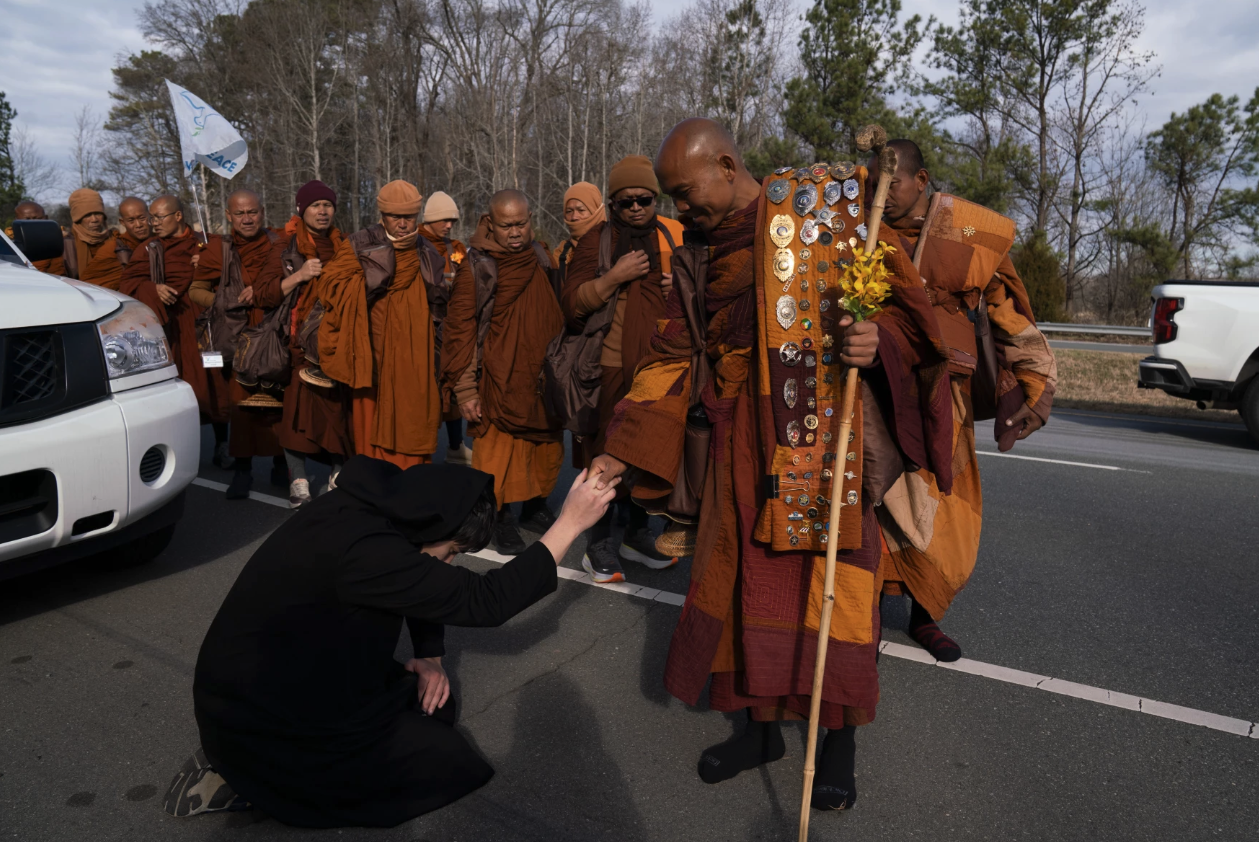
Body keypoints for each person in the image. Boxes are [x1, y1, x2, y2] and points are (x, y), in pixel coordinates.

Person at [591, 118, 956, 811]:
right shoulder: (697, 251)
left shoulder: (821, 212)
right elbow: (671, 351)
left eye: (685, 192)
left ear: (728, 166)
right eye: (670, 197)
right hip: (738, 440)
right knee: (742, 584)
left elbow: (908, 317)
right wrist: (620, 445)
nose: (678, 209)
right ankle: (759, 731)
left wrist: (873, 342)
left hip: (824, 432)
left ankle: (837, 742)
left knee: (835, 590)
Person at [167, 458, 619, 826]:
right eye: (453, 550)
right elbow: (486, 600)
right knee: (446, 760)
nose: (450, 561)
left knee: (433, 703)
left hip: (283, 677)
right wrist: (570, 523)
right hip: (260, 716)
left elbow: (421, 579)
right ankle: (246, 781)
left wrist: (430, 655)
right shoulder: (369, 552)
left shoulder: (370, 507)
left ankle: (247, 765)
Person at [865, 139, 1057, 661]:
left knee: (944, 509)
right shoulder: (860, 230)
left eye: (891, 184)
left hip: (946, 390)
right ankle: (867, 616)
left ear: (921, 180)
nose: (880, 194)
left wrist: (1035, 385)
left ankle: (925, 616)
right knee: (877, 498)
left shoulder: (968, 232)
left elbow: (1007, 312)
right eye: (873, 184)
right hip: (877, 387)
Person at [559, 156, 684, 583]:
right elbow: (571, 305)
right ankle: (598, 544)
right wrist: (613, 277)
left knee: (645, 454)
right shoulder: (597, 241)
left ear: (655, 199)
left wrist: (680, 287)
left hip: (657, 366)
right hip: (608, 368)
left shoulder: (671, 235)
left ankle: (635, 534)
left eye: (643, 200)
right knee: (604, 454)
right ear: (612, 204)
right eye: (625, 201)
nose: (634, 209)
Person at [440, 190, 564, 556]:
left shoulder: (540, 256)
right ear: (489, 223)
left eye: (521, 224)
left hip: (539, 378)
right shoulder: (477, 267)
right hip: (497, 380)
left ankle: (534, 507)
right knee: (498, 454)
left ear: (530, 219)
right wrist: (466, 391)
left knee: (543, 448)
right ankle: (500, 517)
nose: (515, 232)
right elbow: (460, 332)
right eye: (506, 225)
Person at [314, 180, 446, 469]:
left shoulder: (427, 249)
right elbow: (330, 286)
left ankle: (411, 478)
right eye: (395, 217)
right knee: (370, 417)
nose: (403, 224)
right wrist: (372, 278)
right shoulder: (360, 243)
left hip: (414, 354)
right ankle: (373, 478)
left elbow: (439, 303)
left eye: (409, 217)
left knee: (413, 413)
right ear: (383, 215)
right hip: (372, 349)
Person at [189, 189, 289, 499]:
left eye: (252, 212)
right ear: (229, 216)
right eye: (240, 213)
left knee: (278, 401)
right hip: (237, 337)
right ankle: (243, 471)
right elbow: (196, 289)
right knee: (242, 404)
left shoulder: (279, 244)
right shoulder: (219, 248)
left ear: (262, 212)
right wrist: (226, 302)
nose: (247, 219)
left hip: (274, 333)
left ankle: (281, 466)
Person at [120, 195, 233, 468]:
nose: (154, 223)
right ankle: (180, 449)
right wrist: (153, 289)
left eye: (159, 217)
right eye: (152, 218)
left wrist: (210, 263)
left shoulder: (207, 243)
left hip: (207, 328)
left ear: (178, 216)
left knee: (215, 380)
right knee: (177, 386)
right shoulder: (149, 249)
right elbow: (128, 282)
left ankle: (222, 444)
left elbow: (234, 271)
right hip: (171, 330)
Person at [258, 180, 351, 508]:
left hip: (337, 343)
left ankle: (338, 473)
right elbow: (263, 294)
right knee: (296, 416)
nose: (323, 211)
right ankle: (298, 479)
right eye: (315, 205)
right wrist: (299, 276)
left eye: (328, 205)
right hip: (298, 343)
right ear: (302, 210)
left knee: (338, 413)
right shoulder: (286, 247)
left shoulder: (344, 246)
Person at [420, 190, 472, 468]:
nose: (449, 225)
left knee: (452, 387)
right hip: (423, 328)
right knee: (426, 394)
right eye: (443, 220)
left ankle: (455, 446)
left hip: (451, 328)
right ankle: (422, 450)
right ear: (429, 219)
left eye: (452, 220)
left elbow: (465, 278)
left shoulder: (457, 249)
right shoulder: (415, 244)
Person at [60, 188, 125, 289]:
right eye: (87, 215)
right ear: (78, 218)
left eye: (98, 214)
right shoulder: (65, 245)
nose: (94, 219)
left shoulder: (116, 240)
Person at [553, 181, 604, 271]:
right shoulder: (561, 254)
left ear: (596, 211)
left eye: (581, 210)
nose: (574, 217)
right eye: (569, 211)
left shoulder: (614, 247)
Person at [7, 200, 65, 275]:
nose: (33, 223)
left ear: (46, 218)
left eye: (38, 219)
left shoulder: (57, 239)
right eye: (27, 220)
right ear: (16, 220)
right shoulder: (7, 241)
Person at [116, 196, 153, 264]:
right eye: (131, 221)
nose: (138, 225)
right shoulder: (114, 247)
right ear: (123, 222)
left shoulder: (163, 241)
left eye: (142, 218)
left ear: (150, 215)